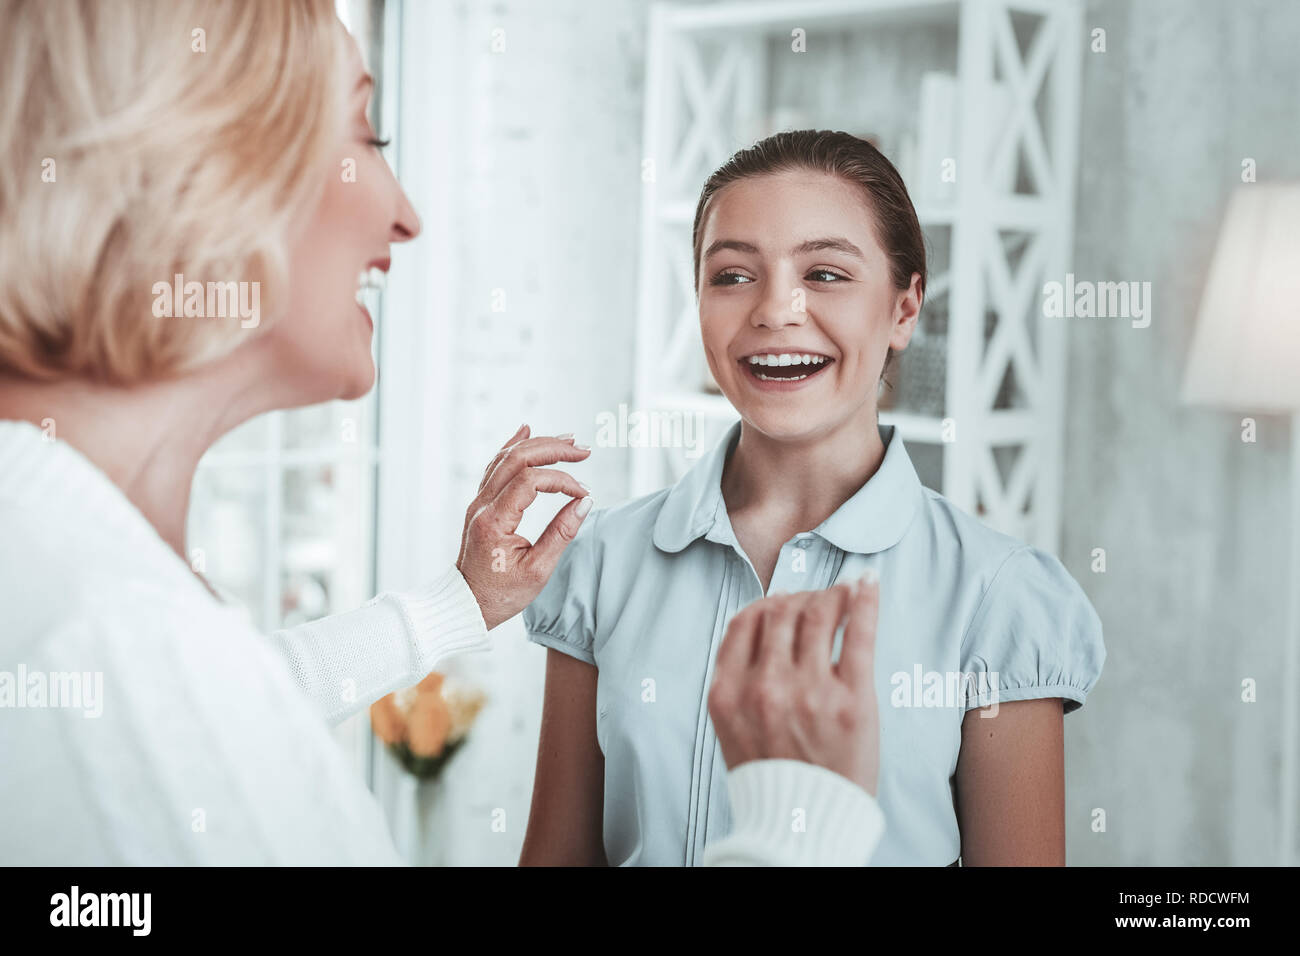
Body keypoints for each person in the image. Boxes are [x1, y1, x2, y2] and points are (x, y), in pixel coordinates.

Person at [0, 0, 884, 866]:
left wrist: (456, 605)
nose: (406, 214)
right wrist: (795, 828)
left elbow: (221, 710)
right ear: (198, 166)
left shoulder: (67, 574)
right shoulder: (109, 637)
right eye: (366, 138)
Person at [521, 130, 1107, 866]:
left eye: (825, 272)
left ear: (904, 308)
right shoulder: (603, 562)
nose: (776, 309)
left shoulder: (998, 599)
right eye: (732, 275)